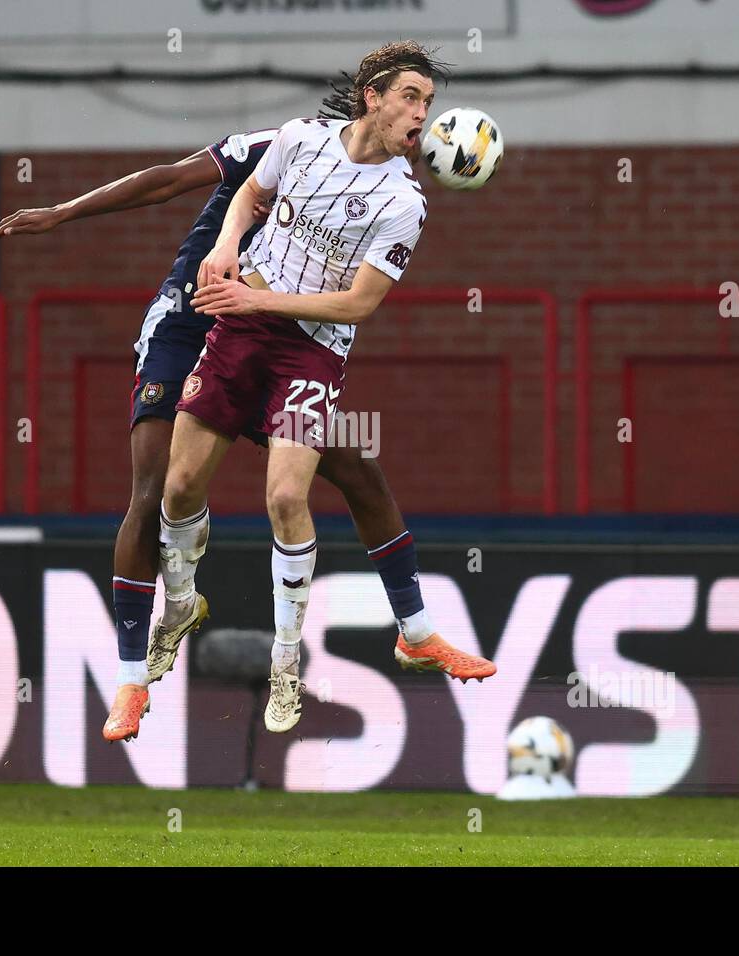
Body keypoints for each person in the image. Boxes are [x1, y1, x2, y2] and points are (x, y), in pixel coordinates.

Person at [157, 41, 496, 736]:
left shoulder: (403, 202)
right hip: (242, 328)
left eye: (429, 103)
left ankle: (286, 667)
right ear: (372, 96)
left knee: (287, 495)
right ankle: (182, 604)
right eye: (411, 96)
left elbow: (357, 306)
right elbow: (250, 194)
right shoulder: (299, 142)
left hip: (310, 349)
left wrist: (259, 304)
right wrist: (226, 246)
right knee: (180, 487)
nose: (422, 113)